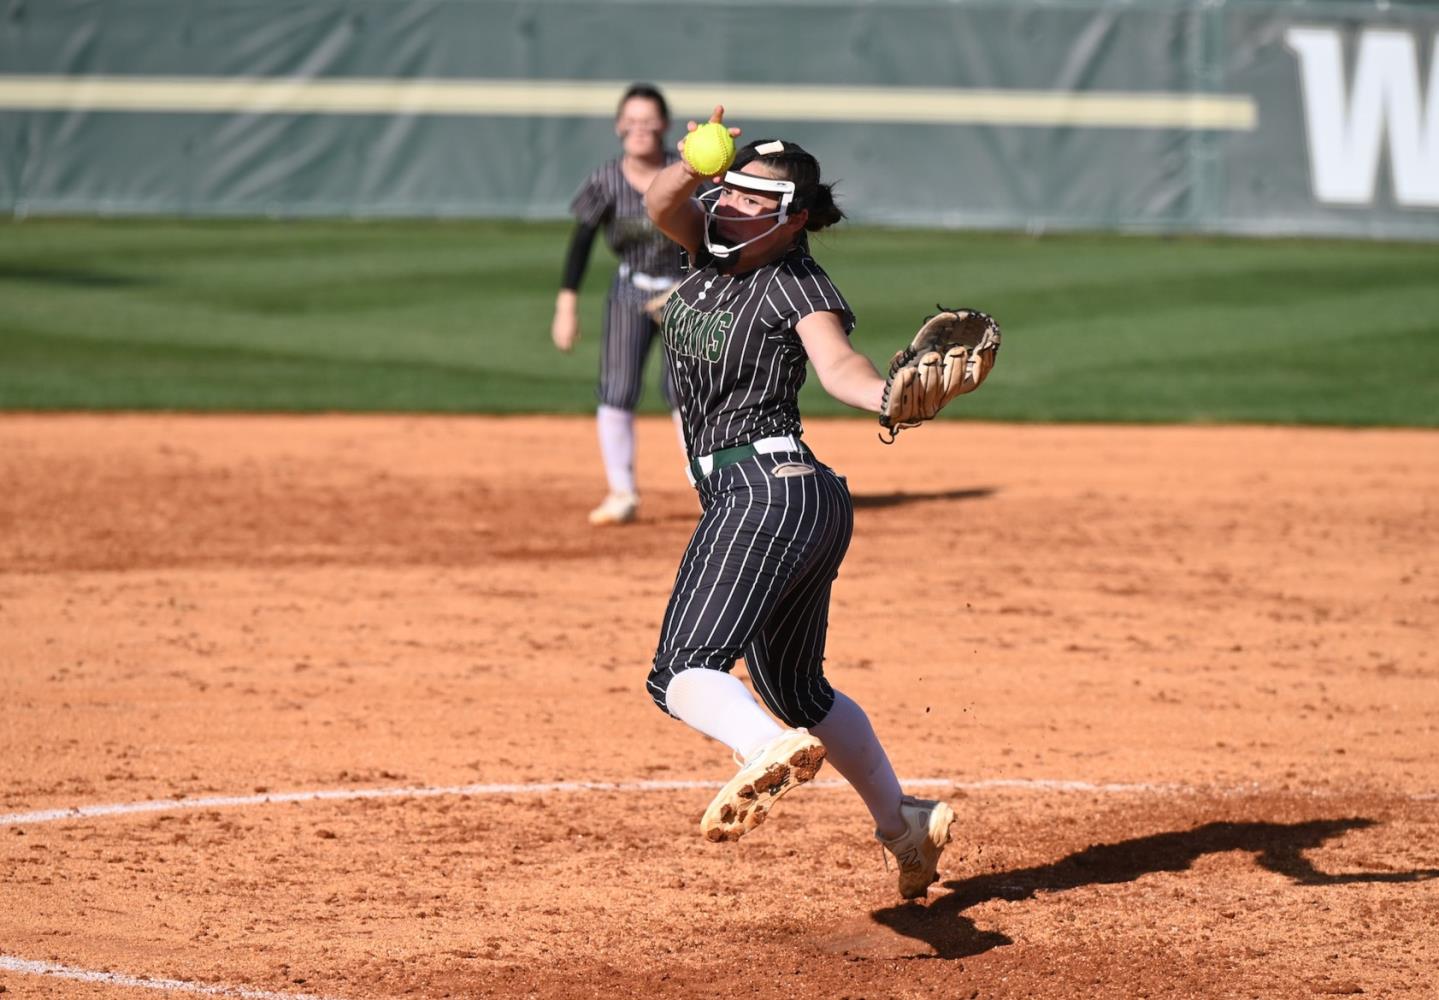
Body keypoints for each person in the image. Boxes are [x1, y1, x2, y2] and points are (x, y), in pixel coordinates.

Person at [642, 107, 957, 899]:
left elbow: (839, 365)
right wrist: (694, 164)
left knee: (682, 672)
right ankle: (904, 824)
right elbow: (659, 201)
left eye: (756, 200)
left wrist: (887, 396)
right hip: (800, 503)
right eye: (730, 190)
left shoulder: (798, 285)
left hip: (763, 495)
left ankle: (761, 747)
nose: (733, 206)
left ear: (795, 220)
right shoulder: (706, 248)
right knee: (798, 691)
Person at [551, 83, 686, 526]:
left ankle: (712, 488)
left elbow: (713, 234)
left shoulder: (685, 173)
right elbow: (582, 240)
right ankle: (621, 492)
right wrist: (566, 305)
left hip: (685, 293)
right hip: (630, 290)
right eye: (631, 120)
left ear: (664, 125)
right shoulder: (606, 179)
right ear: (618, 126)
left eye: (649, 120)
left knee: (686, 392)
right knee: (617, 389)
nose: (640, 128)